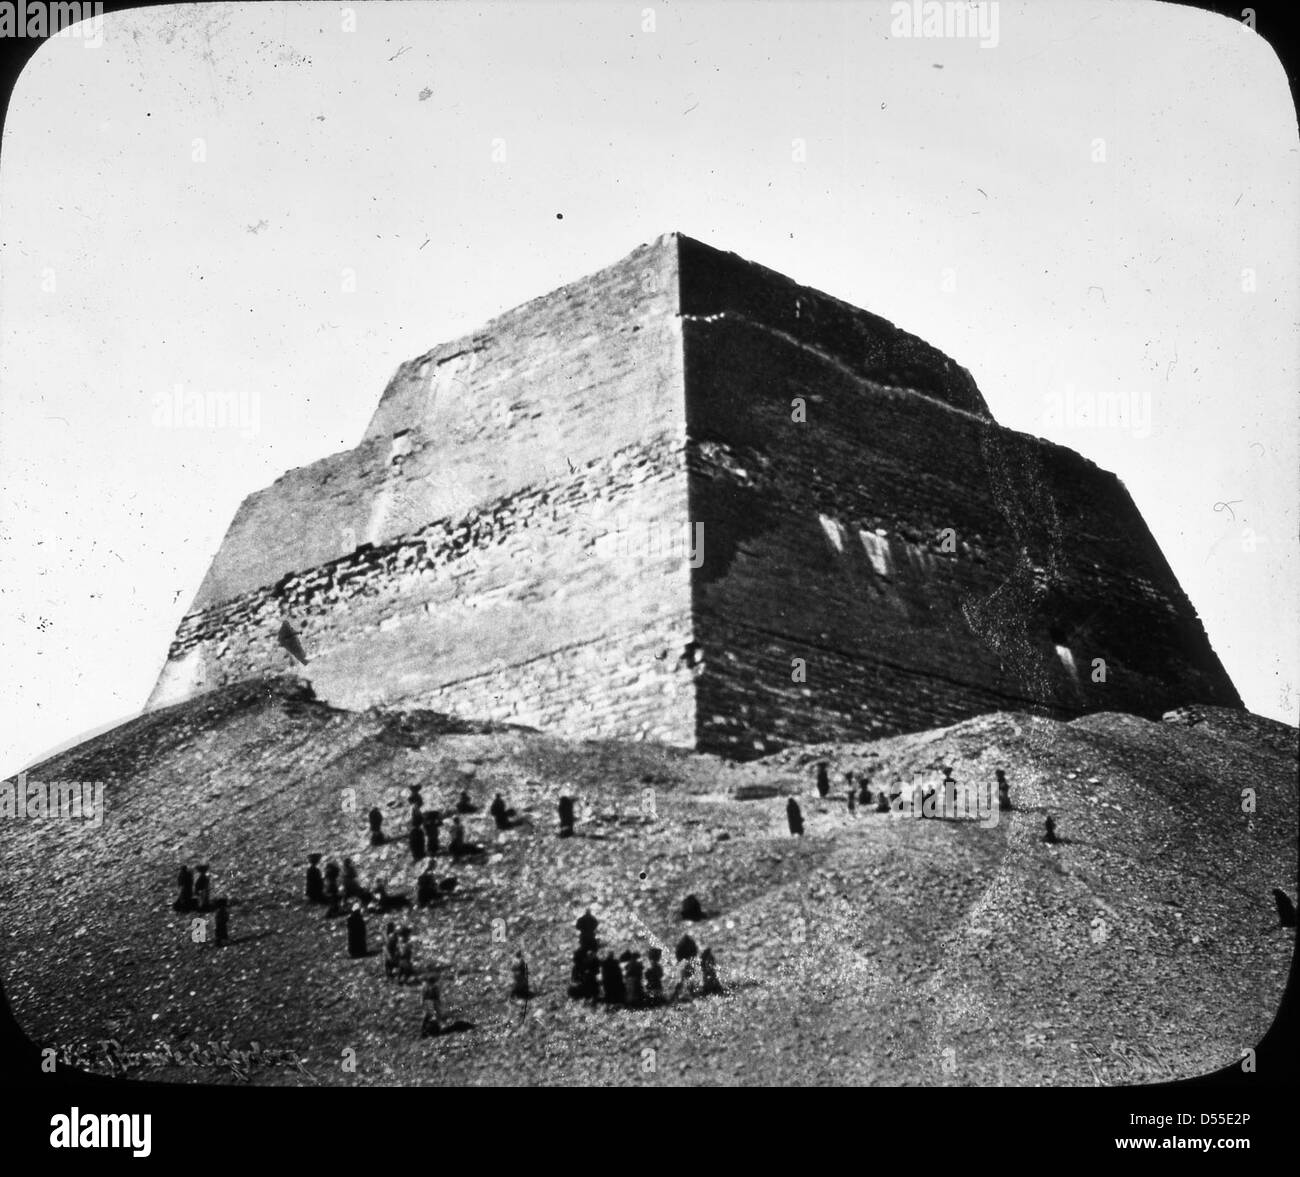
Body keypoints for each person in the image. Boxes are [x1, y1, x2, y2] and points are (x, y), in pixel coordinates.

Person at [420, 971, 443, 1037]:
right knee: (428, 1015)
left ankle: (436, 1029)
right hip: (428, 1002)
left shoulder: (435, 987)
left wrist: (438, 1002)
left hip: (433, 1001)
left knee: (436, 1015)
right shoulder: (426, 987)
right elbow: (423, 996)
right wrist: (422, 1002)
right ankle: (425, 1031)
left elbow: (437, 995)